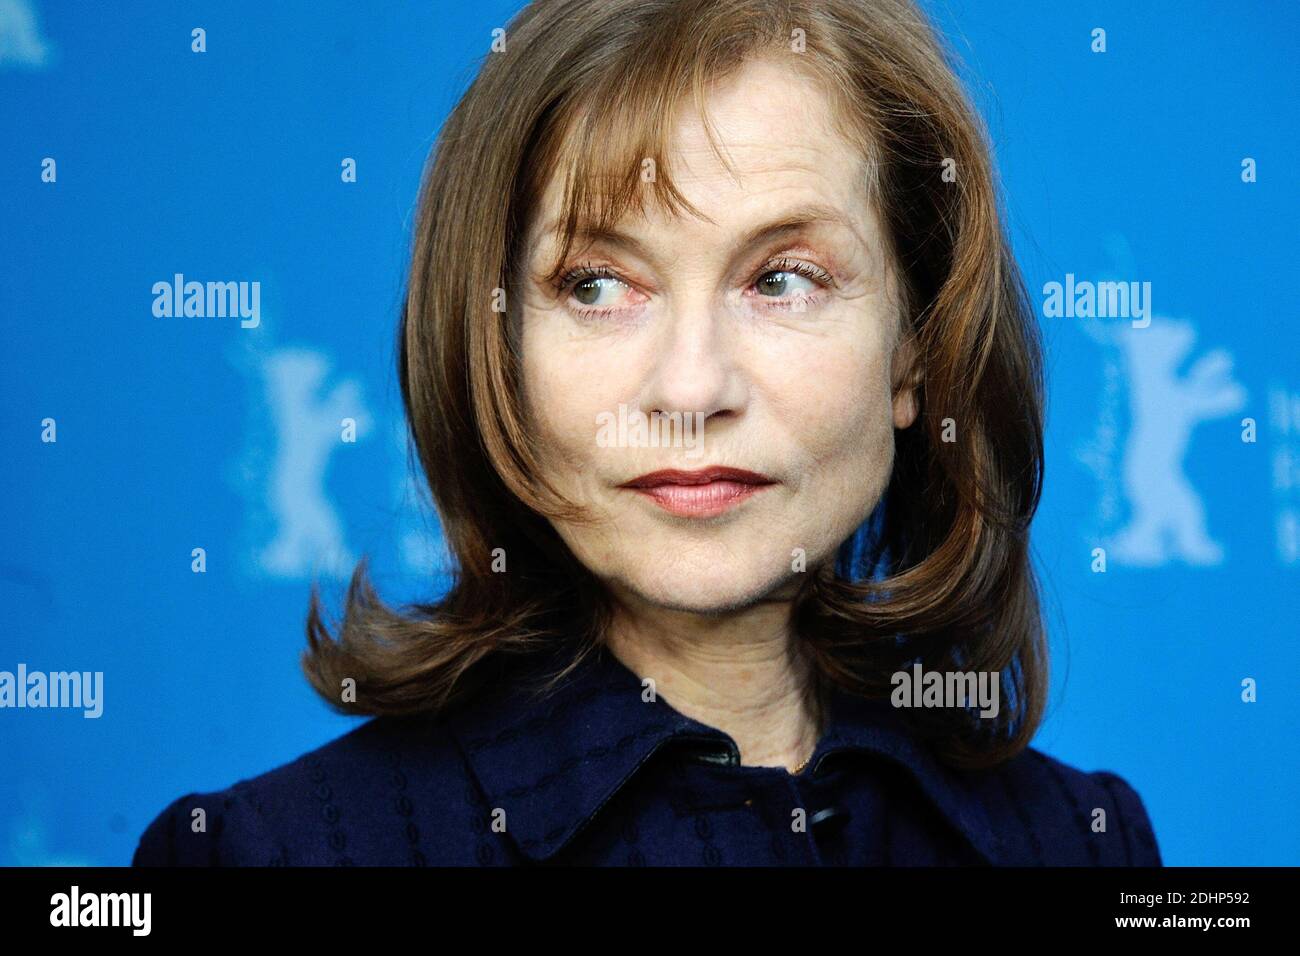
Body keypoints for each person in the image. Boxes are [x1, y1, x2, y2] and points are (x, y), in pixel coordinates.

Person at [133, 0, 1162, 867]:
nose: (688, 385)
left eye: (783, 279)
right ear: (496, 349)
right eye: (596, 285)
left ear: (915, 351)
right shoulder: (273, 853)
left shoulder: (1079, 842)